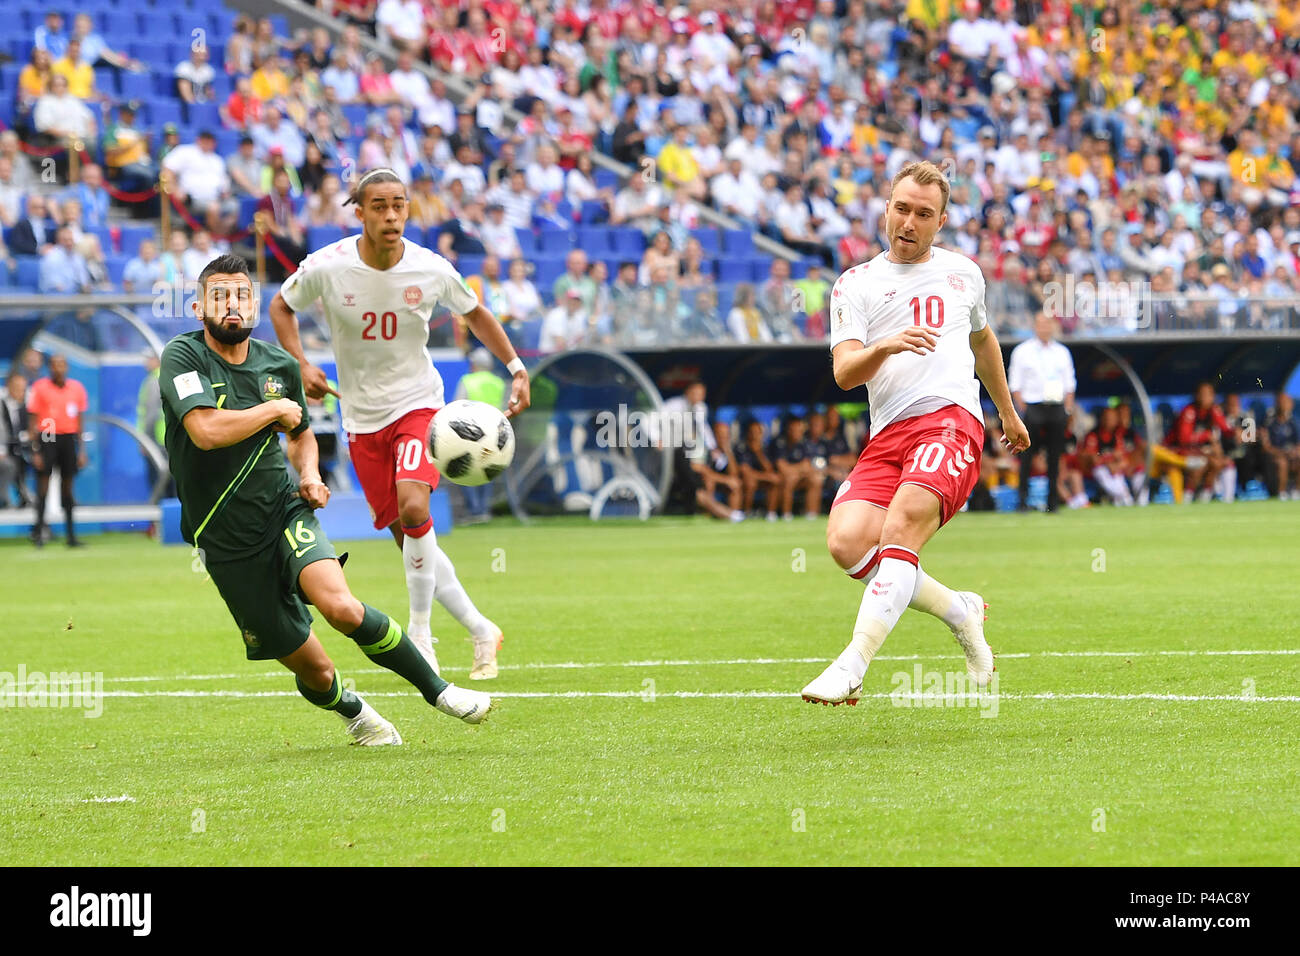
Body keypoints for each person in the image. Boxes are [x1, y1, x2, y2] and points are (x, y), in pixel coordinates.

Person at [161, 253, 490, 745]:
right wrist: (273, 409)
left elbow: (300, 435)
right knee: (314, 670)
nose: (232, 304)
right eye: (219, 296)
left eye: (242, 295)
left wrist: (310, 473)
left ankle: (440, 692)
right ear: (198, 307)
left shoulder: (277, 364)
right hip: (223, 537)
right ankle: (355, 712)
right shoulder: (183, 358)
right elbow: (205, 431)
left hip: (282, 509)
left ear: (253, 306)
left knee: (342, 608)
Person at [270, 168, 531, 680]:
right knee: (410, 538)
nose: (391, 215)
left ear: (408, 209)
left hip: (419, 406)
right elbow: (281, 306)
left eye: (399, 205)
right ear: (360, 212)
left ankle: (421, 633)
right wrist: (300, 363)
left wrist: (516, 368)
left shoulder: (431, 268)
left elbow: (475, 313)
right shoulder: (328, 266)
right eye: (379, 206)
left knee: (415, 508)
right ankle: (481, 628)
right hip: (362, 419)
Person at [801, 160, 1030, 706]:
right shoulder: (853, 285)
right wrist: (884, 344)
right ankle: (960, 610)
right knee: (848, 543)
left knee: (901, 527)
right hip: (888, 434)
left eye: (923, 214)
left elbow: (984, 343)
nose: (909, 222)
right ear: (885, 209)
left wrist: (1008, 411)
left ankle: (853, 665)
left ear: (941, 222)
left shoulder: (963, 273)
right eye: (901, 209)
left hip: (951, 422)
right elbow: (843, 373)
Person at [1007, 311, 1076, 512]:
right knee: (1027, 455)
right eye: (1041, 324)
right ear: (1035, 326)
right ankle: (1023, 501)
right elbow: (1015, 384)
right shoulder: (1022, 351)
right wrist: (1023, 409)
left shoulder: (1062, 352)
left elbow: (1069, 384)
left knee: (1055, 455)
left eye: (1048, 324)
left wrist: (1068, 409)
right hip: (1033, 406)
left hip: (1056, 407)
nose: (1045, 328)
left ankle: (1052, 502)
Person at [26, 353, 89, 547]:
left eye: (62, 364)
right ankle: (39, 533)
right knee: (43, 485)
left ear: (67, 367)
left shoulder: (76, 389)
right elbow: (33, 420)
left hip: (68, 437)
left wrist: (82, 449)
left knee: (68, 488)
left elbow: (79, 421)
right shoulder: (40, 388)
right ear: (50, 367)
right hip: (48, 435)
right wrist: (35, 450)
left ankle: (70, 536)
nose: (58, 368)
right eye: (55, 365)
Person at [452, 348, 507, 523]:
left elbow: (457, 405)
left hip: (470, 432)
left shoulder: (467, 380)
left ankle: (473, 510)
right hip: (493, 432)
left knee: (464, 470)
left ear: (474, 364)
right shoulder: (499, 382)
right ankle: (483, 509)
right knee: (486, 471)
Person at [735, 419, 783, 519]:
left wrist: (758, 453)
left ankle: (771, 514)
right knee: (750, 482)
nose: (755, 435)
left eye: (757, 432)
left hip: (761, 479)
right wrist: (766, 477)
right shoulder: (741, 447)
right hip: (746, 480)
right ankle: (746, 513)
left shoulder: (765, 448)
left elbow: (769, 469)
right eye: (752, 432)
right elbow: (745, 471)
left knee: (774, 482)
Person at [1, 370, 33, 507]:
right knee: (9, 465)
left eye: (23, 389)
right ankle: (4, 499)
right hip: (5, 450)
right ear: (8, 386)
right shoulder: (1, 404)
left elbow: (35, 429)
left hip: (21, 449)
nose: (20, 392)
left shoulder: (27, 406)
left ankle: (25, 496)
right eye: (17, 388)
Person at [1261, 391, 1300, 500]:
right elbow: (1266, 447)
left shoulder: (1294, 422)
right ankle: (1281, 492)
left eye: (1286, 402)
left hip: (1290, 455)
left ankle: (1297, 491)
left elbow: (1298, 444)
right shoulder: (1269, 422)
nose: (1283, 404)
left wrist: (1295, 452)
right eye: (1281, 402)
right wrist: (1282, 453)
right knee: (1282, 462)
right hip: (1274, 456)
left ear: (1291, 404)